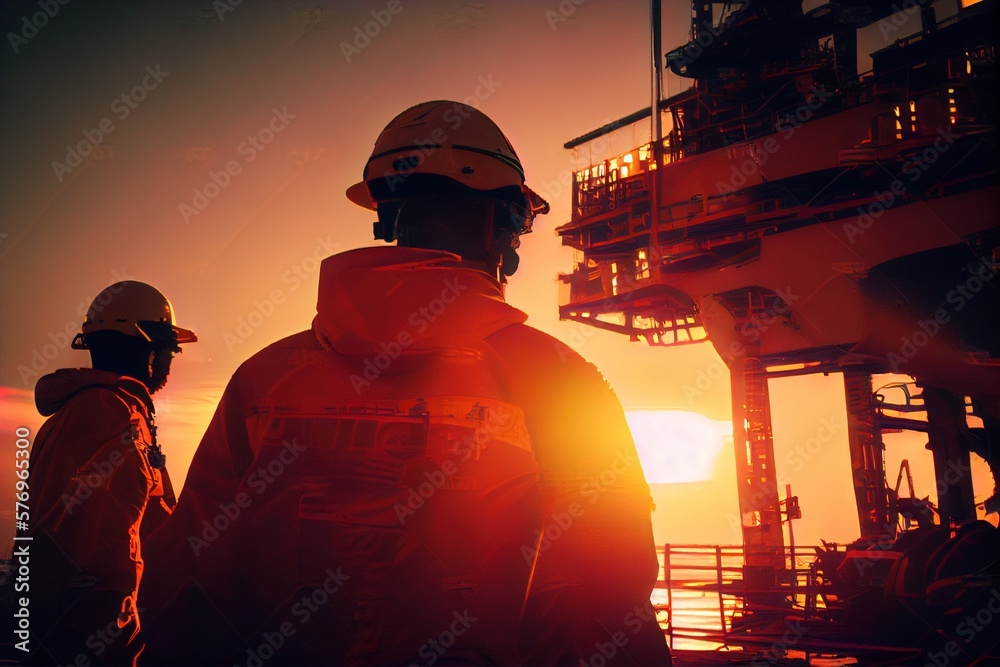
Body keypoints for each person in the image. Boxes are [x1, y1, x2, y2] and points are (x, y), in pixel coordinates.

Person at [140, 100, 671, 666]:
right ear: (499, 222)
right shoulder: (557, 380)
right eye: (520, 224)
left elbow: (185, 580)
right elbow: (609, 595)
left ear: (388, 219)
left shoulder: (265, 377)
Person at [23, 280, 196, 666]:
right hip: (88, 645)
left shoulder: (118, 412)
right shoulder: (104, 415)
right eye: (170, 346)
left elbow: (146, 526)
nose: (171, 358)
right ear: (147, 346)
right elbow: (85, 561)